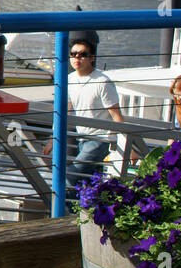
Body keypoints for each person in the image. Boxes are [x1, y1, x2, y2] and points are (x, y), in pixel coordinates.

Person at [44, 33, 126, 187]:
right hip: (82, 137)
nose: (77, 58)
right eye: (73, 54)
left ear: (92, 58)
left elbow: (117, 116)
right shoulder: (69, 79)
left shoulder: (102, 82)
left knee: (69, 177)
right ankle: (87, 209)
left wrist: (128, 146)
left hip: (100, 139)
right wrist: (51, 140)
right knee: (89, 183)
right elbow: (64, 111)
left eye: (82, 55)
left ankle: (56, 208)